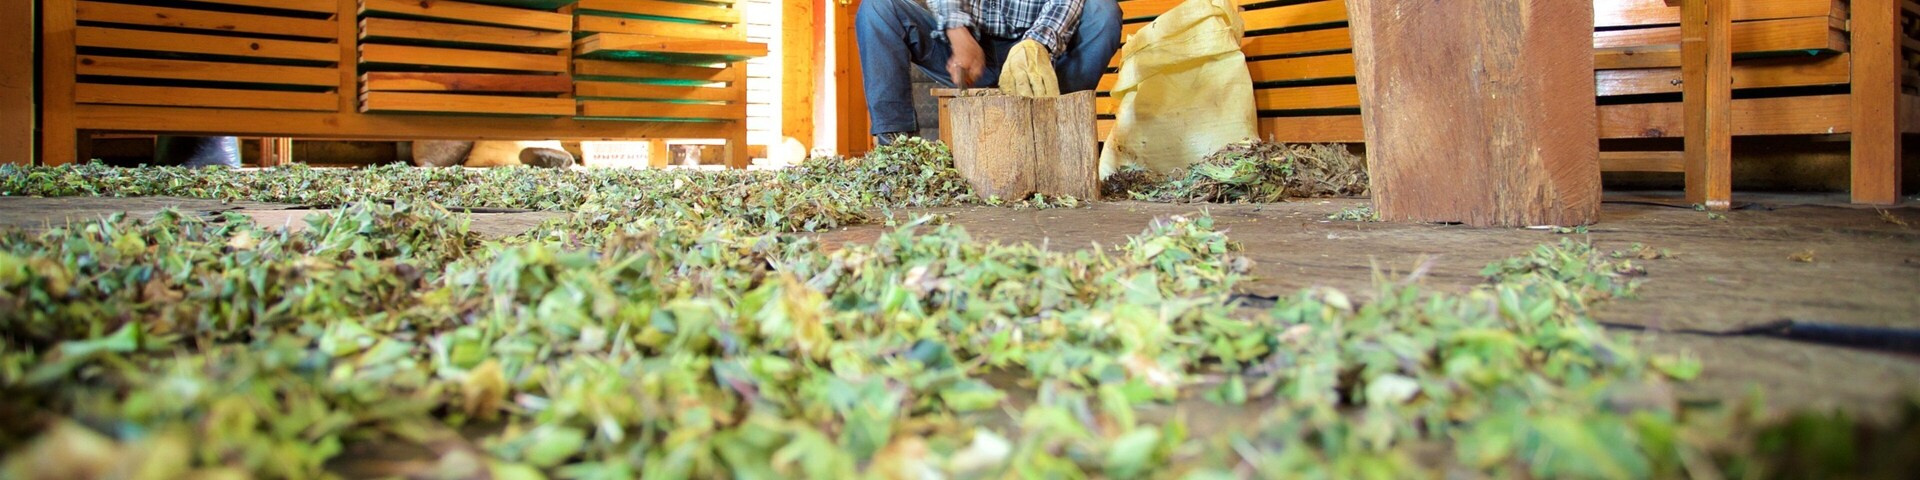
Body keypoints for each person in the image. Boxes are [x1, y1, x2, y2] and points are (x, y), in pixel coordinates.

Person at [856, 0, 1122, 146]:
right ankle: (897, 150)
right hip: (968, 51)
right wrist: (958, 31)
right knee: (878, 8)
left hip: (1040, 59)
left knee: (1103, 11)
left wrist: (1035, 46)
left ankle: (1060, 130)